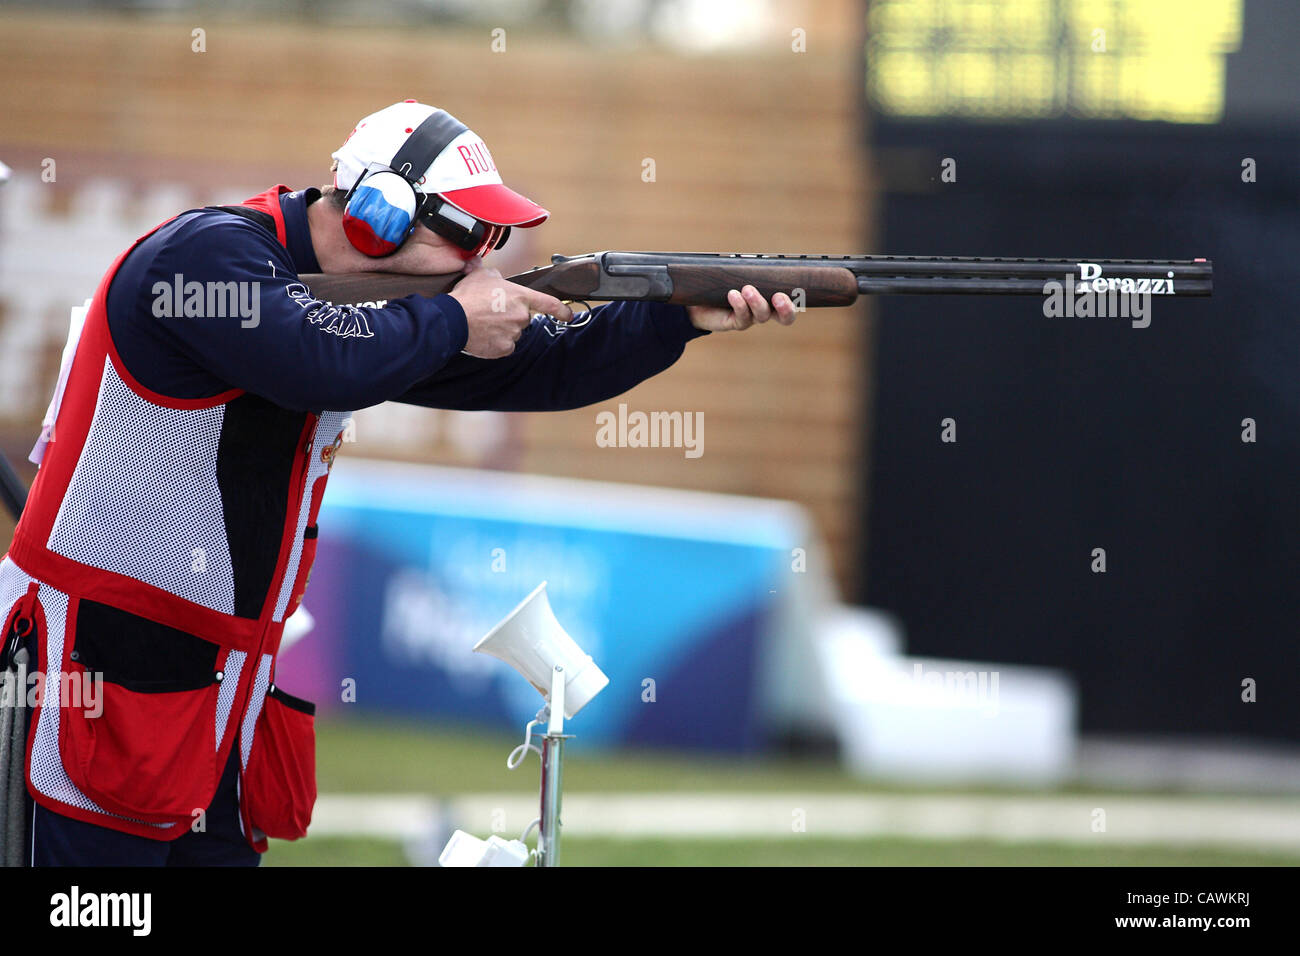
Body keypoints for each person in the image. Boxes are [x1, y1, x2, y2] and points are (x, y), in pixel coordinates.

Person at [0, 100, 796, 865]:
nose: (484, 259)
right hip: (94, 681)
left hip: (218, 702)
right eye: (469, 232)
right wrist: (453, 320)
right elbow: (314, 356)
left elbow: (545, 369)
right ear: (374, 214)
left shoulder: (385, 319)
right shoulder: (204, 258)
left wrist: (673, 317)